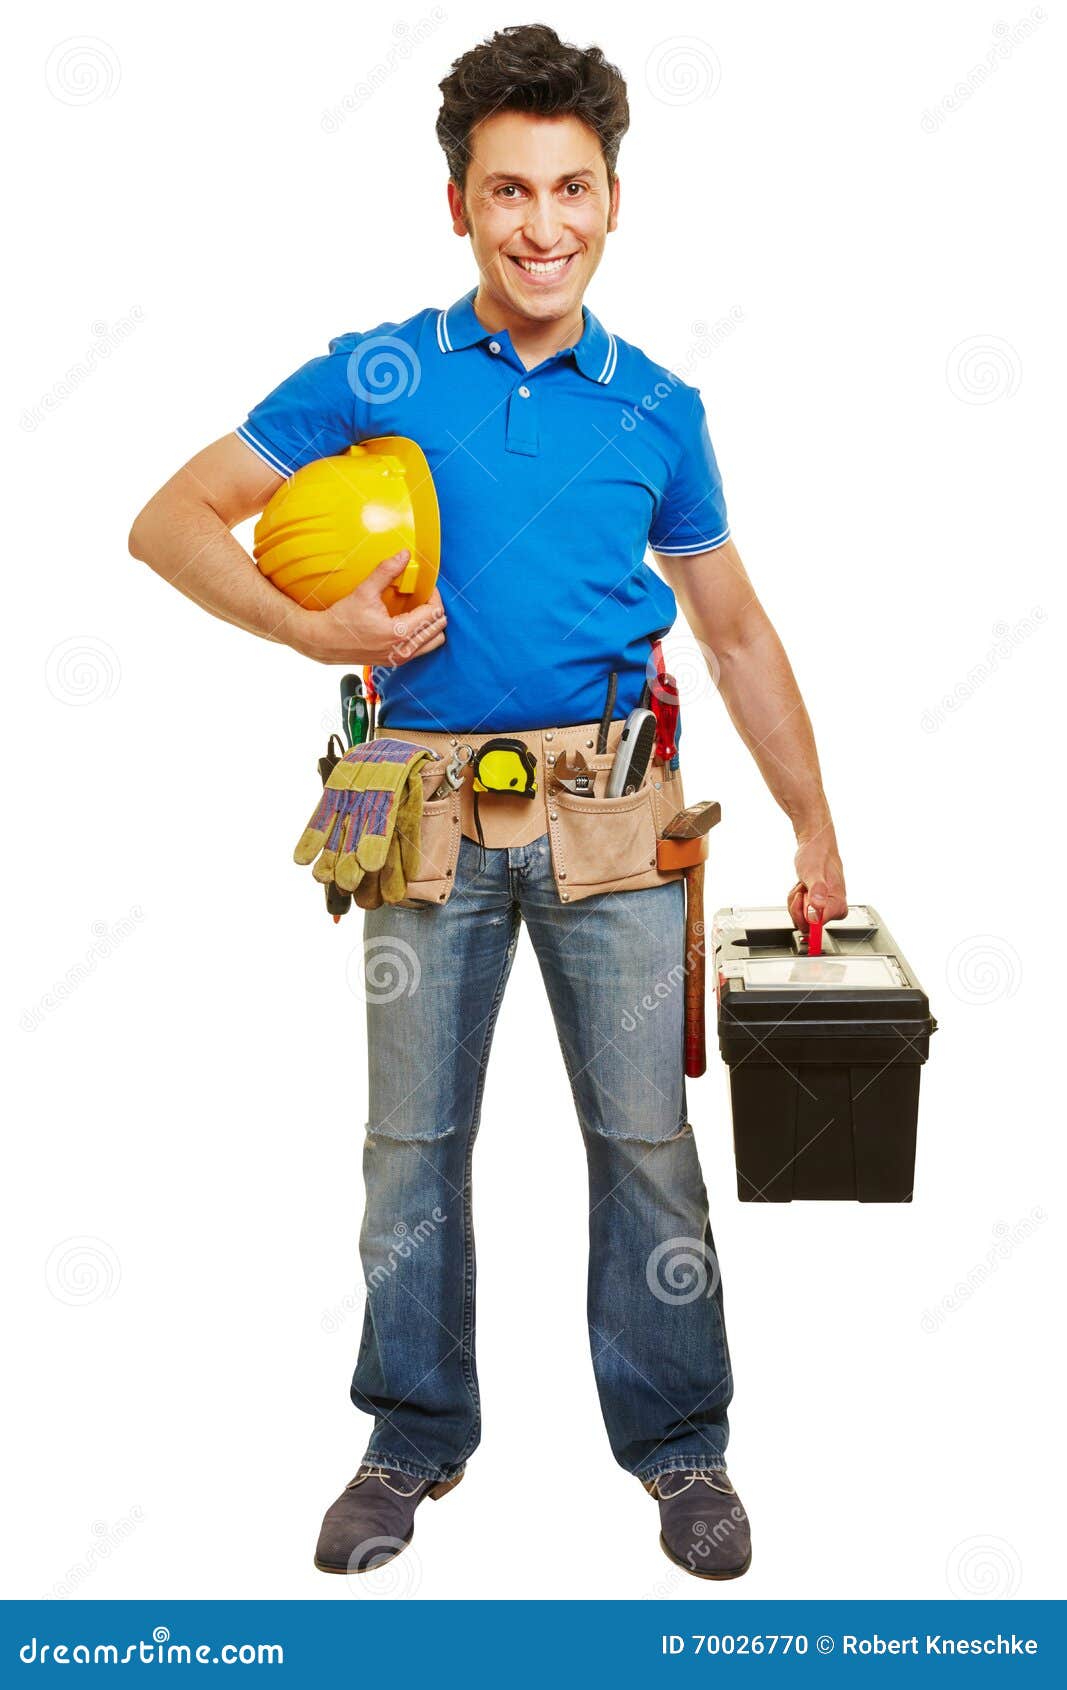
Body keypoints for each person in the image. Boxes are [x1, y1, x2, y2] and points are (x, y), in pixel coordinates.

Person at [129, 24, 847, 1582]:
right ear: (458, 203)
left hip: (614, 816)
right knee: (410, 1145)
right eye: (508, 190)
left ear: (614, 202)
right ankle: (409, 1436)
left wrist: (813, 824)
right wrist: (309, 628)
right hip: (417, 816)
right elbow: (170, 520)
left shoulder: (658, 407)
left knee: (646, 1140)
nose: (542, 224)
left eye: (571, 188)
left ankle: (682, 1446)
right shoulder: (377, 372)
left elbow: (733, 632)